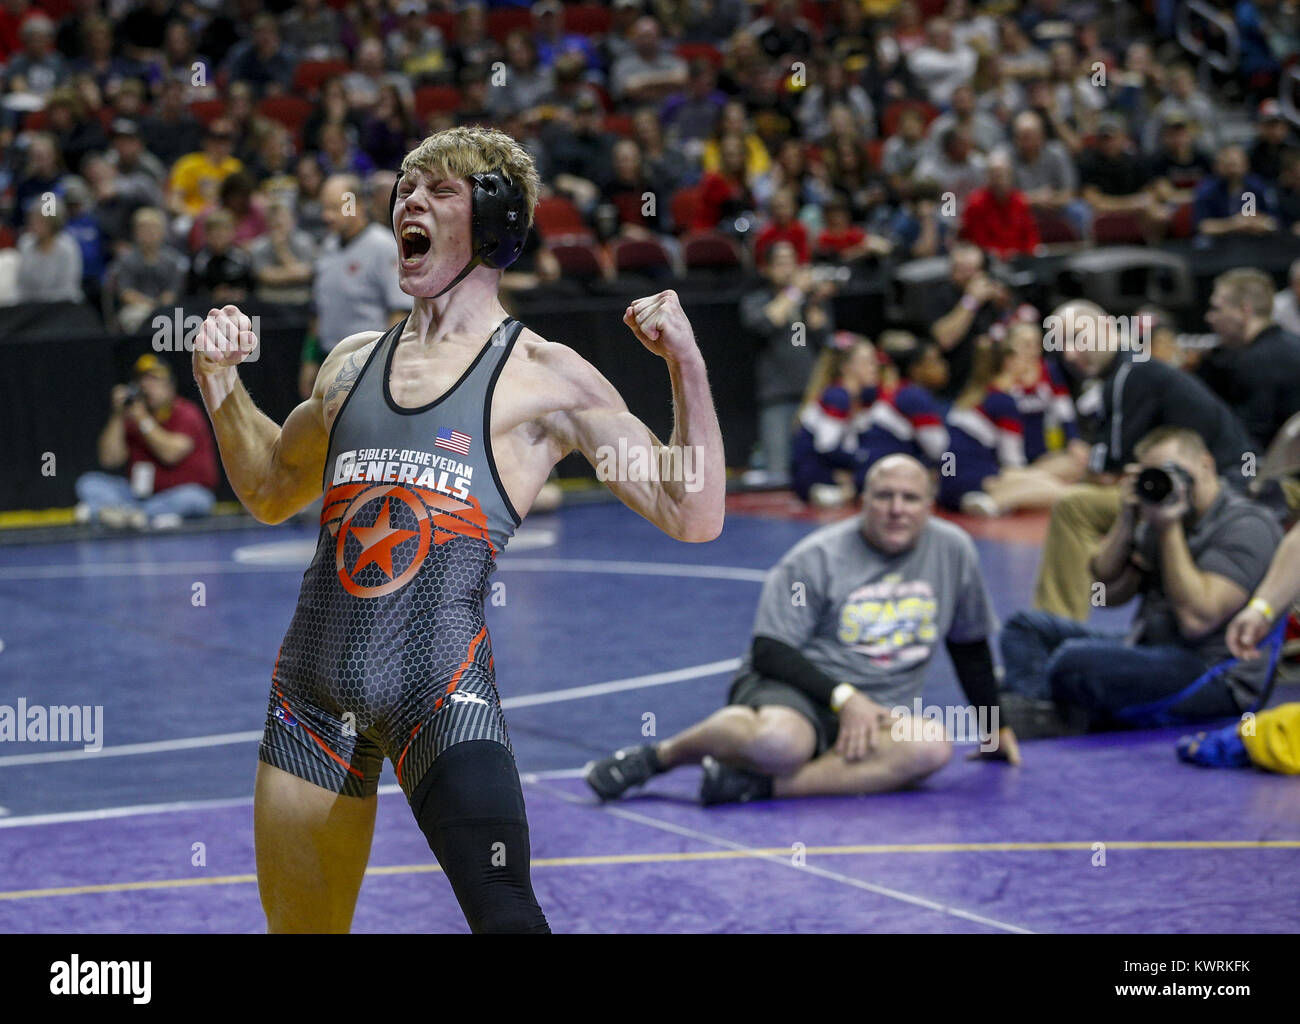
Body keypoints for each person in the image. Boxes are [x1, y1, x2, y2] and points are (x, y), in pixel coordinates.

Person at [190, 125, 725, 933]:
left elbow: (693, 512)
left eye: (439, 190)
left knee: (506, 915)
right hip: (310, 691)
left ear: (496, 224)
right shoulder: (350, 363)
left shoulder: (546, 377)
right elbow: (269, 490)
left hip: (438, 691)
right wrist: (219, 384)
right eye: (406, 187)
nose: (412, 200)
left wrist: (686, 364)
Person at [585, 454, 1019, 807]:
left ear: (930, 503)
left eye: (910, 498)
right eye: (884, 496)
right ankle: (660, 756)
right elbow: (769, 650)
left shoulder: (953, 550)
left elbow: (969, 642)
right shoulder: (816, 556)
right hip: (796, 691)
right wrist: (844, 698)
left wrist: (993, 726)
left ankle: (756, 786)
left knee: (930, 746)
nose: (897, 509)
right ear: (862, 499)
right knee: (780, 743)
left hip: (881, 710)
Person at [1002, 427, 1281, 733]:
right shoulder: (1158, 513)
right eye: (1154, 474)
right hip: (1149, 647)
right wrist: (1127, 517)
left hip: (1213, 672)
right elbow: (1105, 592)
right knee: (1023, 628)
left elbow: (1196, 620)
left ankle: (1041, 710)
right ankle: (1045, 709)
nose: (1166, 482)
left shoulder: (1247, 526)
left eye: (1173, 471)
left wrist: (1169, 528)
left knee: (1073, 662)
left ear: (1206, 464)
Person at [1033, 301, 1256, 621]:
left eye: (1077, 338)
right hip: (1208, 482)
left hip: (1222, 490)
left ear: (1107, 327)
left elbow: (1108, 471)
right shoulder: (1131, 369)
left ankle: (1051, 625)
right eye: (1060, 344)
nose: (1069, 353)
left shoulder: (1130, 374)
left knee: (1073, 506)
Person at [299, 172, 412, 398]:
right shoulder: (327, 248)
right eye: (324, 208)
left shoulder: (384, 246)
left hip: (369, 365)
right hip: (329, 361)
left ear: (357, 205)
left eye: (334, 207)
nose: (326, 216)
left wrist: (384, 368)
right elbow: (318, 313)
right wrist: (310, 362)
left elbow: (399, 313)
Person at [76, 354, 218, 530]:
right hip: (138, 495)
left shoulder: (186, 413)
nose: (146, 386)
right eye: (142, 381)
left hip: (178, 494)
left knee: (196, 499)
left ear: (170, 386)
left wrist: (142, 419)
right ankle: (137, 516)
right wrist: (118, 415)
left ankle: (111, 514)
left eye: (155, 380)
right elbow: (109, 460)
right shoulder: (131, 417)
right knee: (88, 483)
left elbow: (170, 454)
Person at [738, 240, 834, 486]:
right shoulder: (756, 300)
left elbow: (826, 340)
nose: (788, 268)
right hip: (776, 397)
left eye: (792, 262)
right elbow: (765, 323)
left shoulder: (808, 301)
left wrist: (816, 309)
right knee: (777, 475)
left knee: (815, 470)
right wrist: (794, 293)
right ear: (766, 269)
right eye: (780, 263)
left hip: (812, 397)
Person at [1198, 267, 1300, 450]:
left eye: (1217, 308)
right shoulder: (1292, 344)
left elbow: (1251, 444)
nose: (1209, 317)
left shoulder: (1255, 363)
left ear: (1245, 311)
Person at [790, 334, 878, 507]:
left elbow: (853, 444)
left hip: (829, 472)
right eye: (868, 361)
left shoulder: (860, 398)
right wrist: (863, 461)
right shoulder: (837, 396)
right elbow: (827, 446)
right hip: (813, 476)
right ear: (847, 367)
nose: (875, 367)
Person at [105, 205, 188, 332]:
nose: (149, 233)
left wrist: (163, 303)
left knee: (181, 319)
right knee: (135, 318)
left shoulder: (173, 260)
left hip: (167, 308)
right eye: (143, 229)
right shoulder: (126, 260)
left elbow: (173, 291)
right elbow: (126, 293)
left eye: (153, 229)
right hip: (136, 308)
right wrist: (150, 305)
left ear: (162, 232)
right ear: (135, 233)